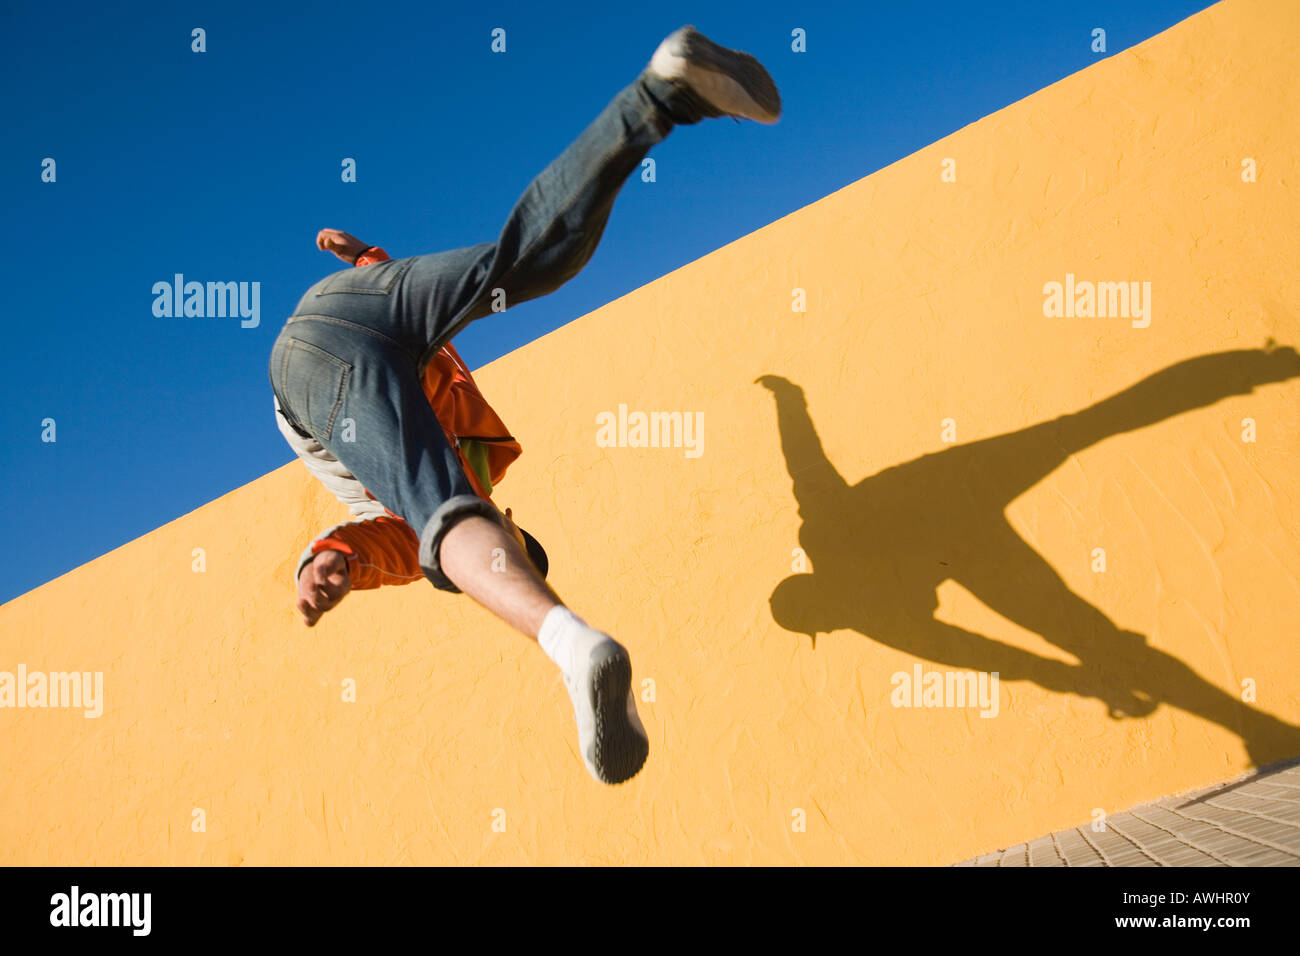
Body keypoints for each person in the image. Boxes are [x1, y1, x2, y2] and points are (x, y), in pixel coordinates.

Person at [268, 25, 782, 784]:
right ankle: (660, 97)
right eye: (508, 541)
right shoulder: (479, 463)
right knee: (524, 270)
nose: (495, 533)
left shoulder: (416, 509)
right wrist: (371, 263)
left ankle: (662, 95)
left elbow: (378, 545)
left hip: (315, 359)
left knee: (530, 272)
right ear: (510, 524)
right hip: (367, 312)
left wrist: (332, 557)